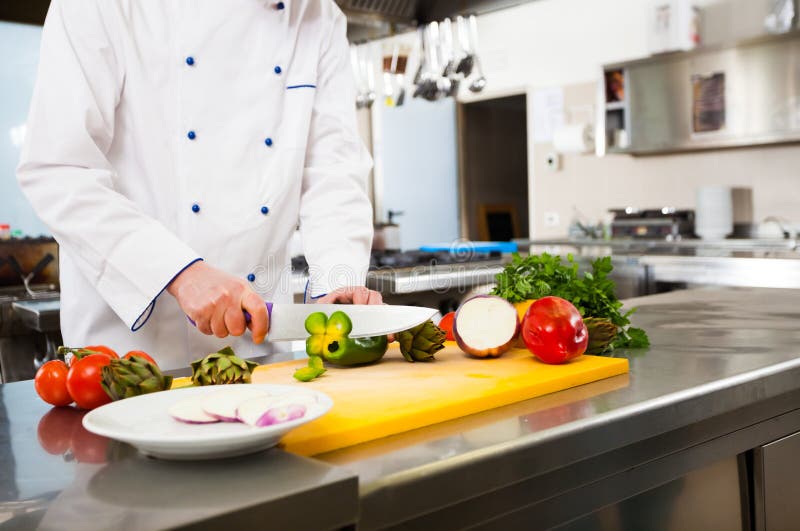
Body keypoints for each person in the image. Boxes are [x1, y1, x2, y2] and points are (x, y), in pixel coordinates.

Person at [17, 0, 383, 370]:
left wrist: (339, 281)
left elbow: (333, 171)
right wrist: (181, 272)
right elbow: (60, 169)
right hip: (132, 357)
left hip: (258, 351)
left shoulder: (318, 14)